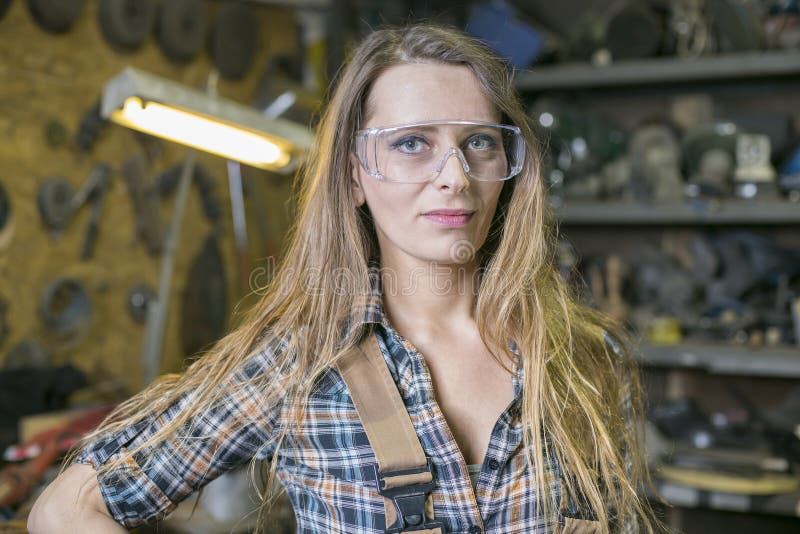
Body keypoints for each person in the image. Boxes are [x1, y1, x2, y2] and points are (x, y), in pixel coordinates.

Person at [28, 22, 655, 534]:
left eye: (480, 144)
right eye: (412, 143)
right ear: (355, 174)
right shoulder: (302, 360)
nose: (455, 177)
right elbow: (66, 509)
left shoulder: (586, 363)